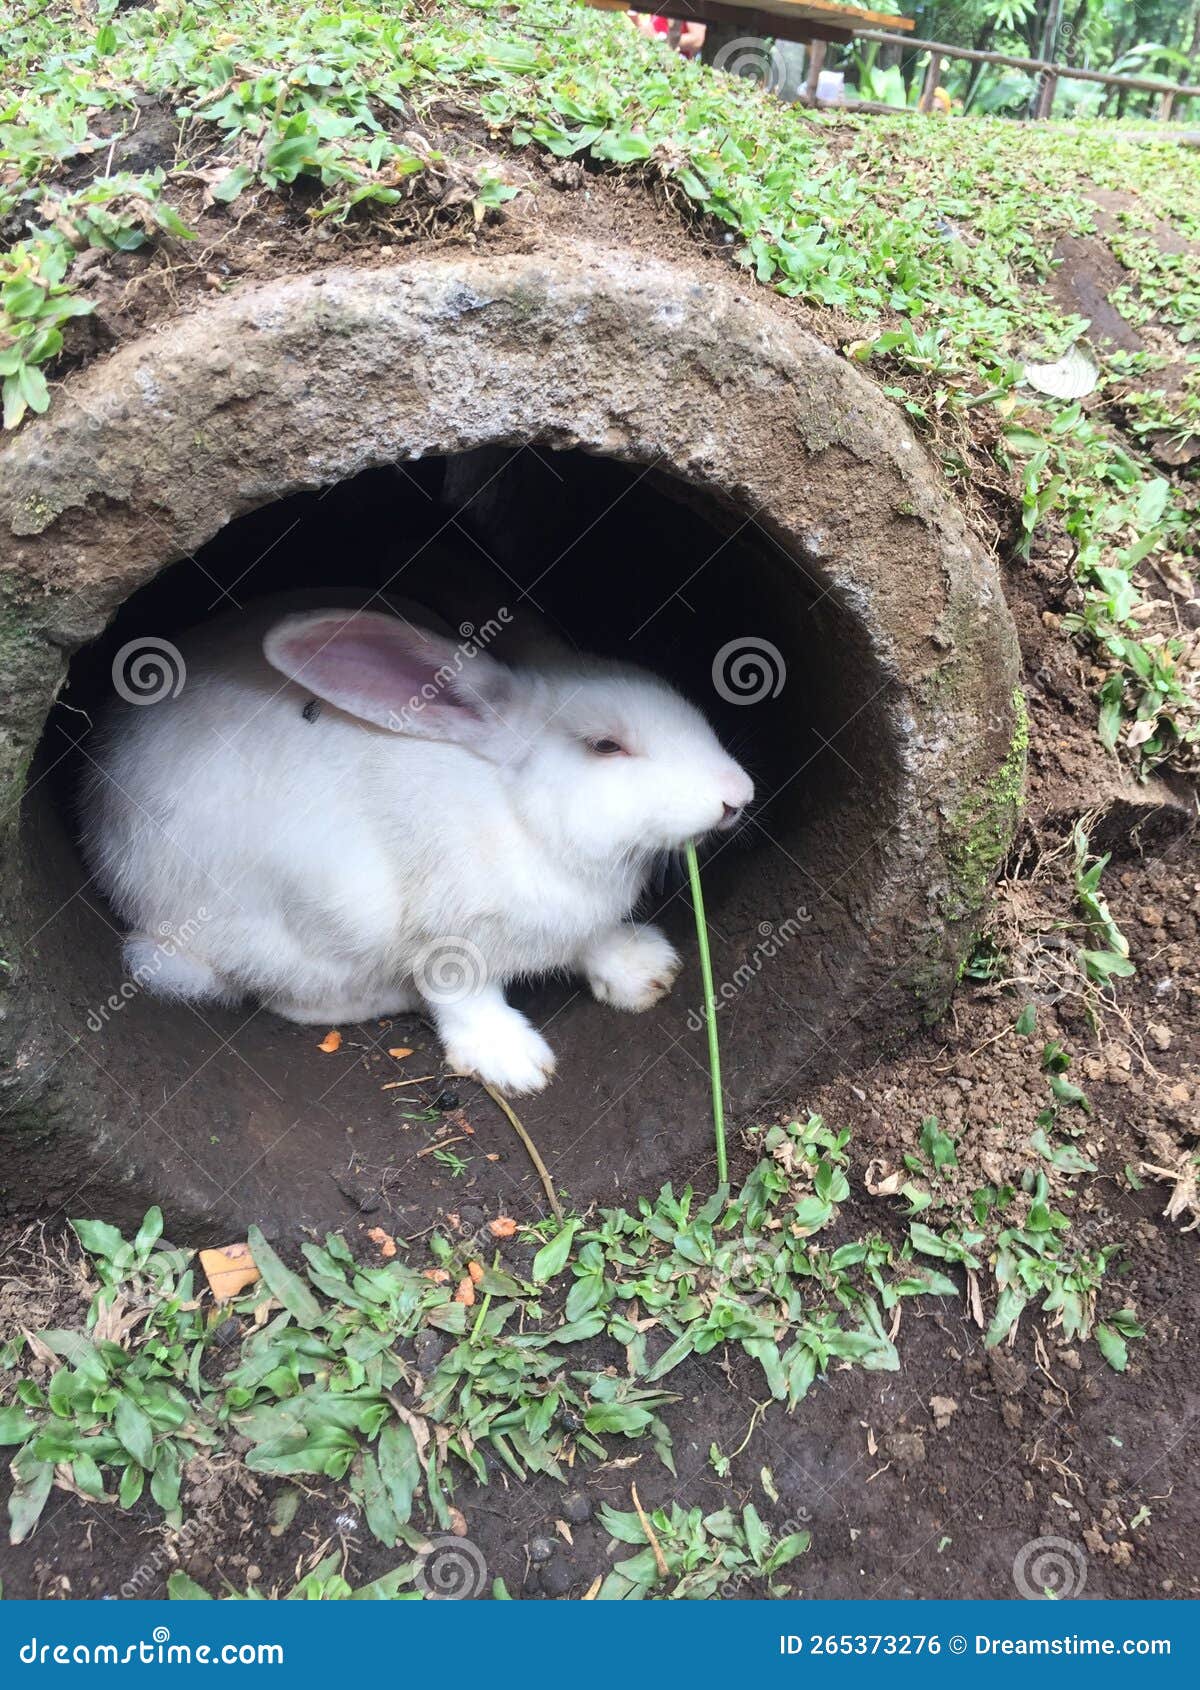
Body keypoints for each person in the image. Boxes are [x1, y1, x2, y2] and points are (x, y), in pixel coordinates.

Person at [628, 12, 707, 58]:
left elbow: (697, 39)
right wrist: (639, 23)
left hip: (678, 64)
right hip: (653, 58)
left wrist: (659, 40)